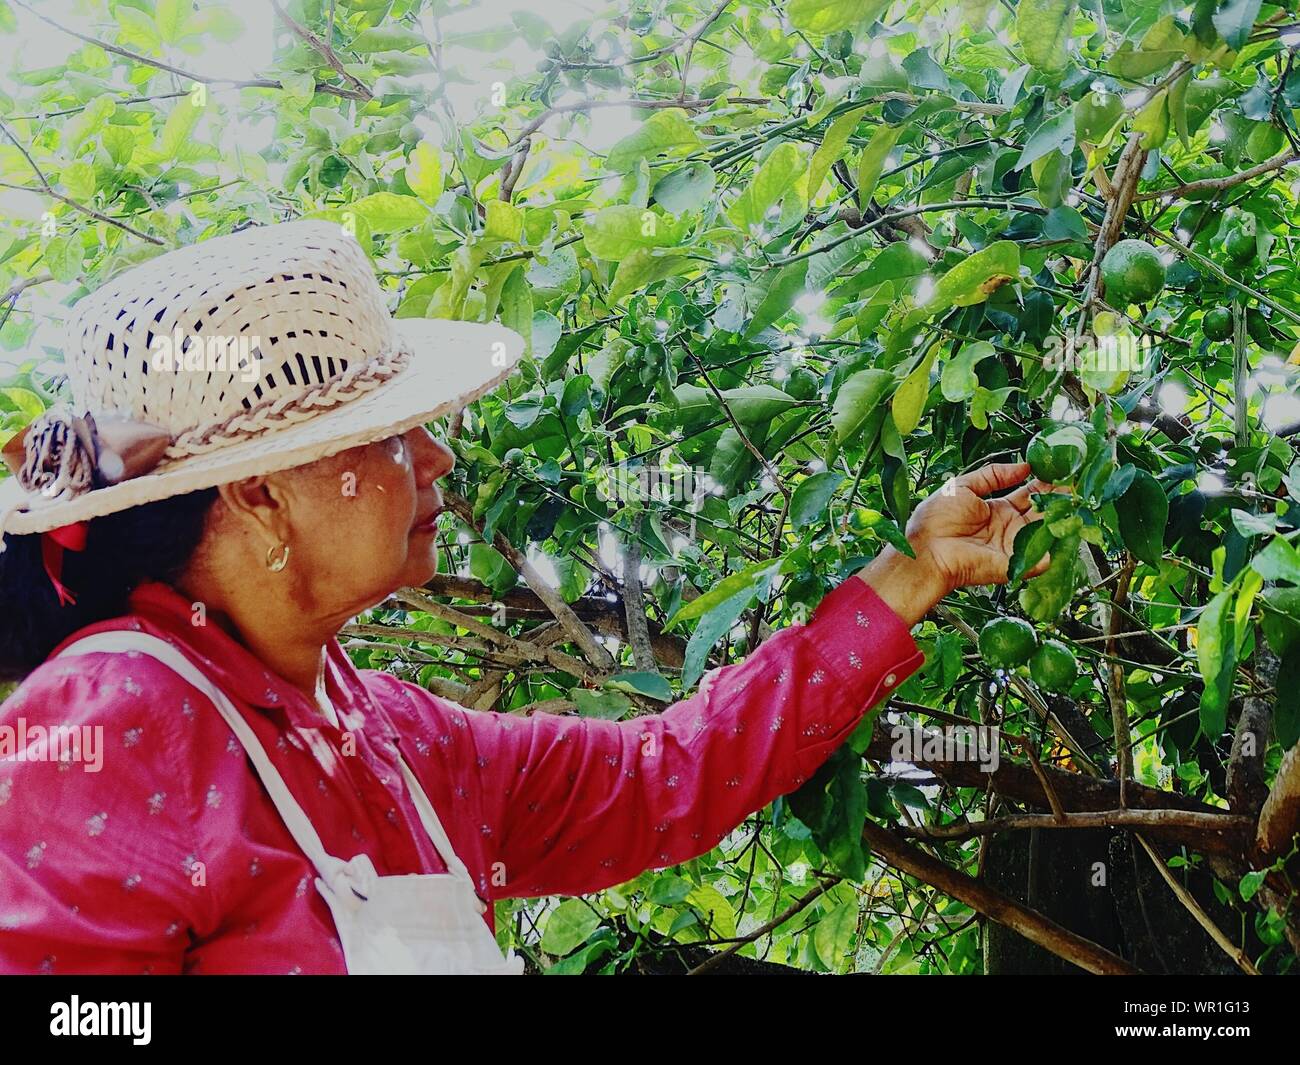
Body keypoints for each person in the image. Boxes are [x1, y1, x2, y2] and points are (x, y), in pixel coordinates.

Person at [0, 220, 1049, 974]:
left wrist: (915, 571)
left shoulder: (389, 737)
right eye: (388, 437)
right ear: (259, 492)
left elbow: (664, 775)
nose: (439, 454)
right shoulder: (118, 714)